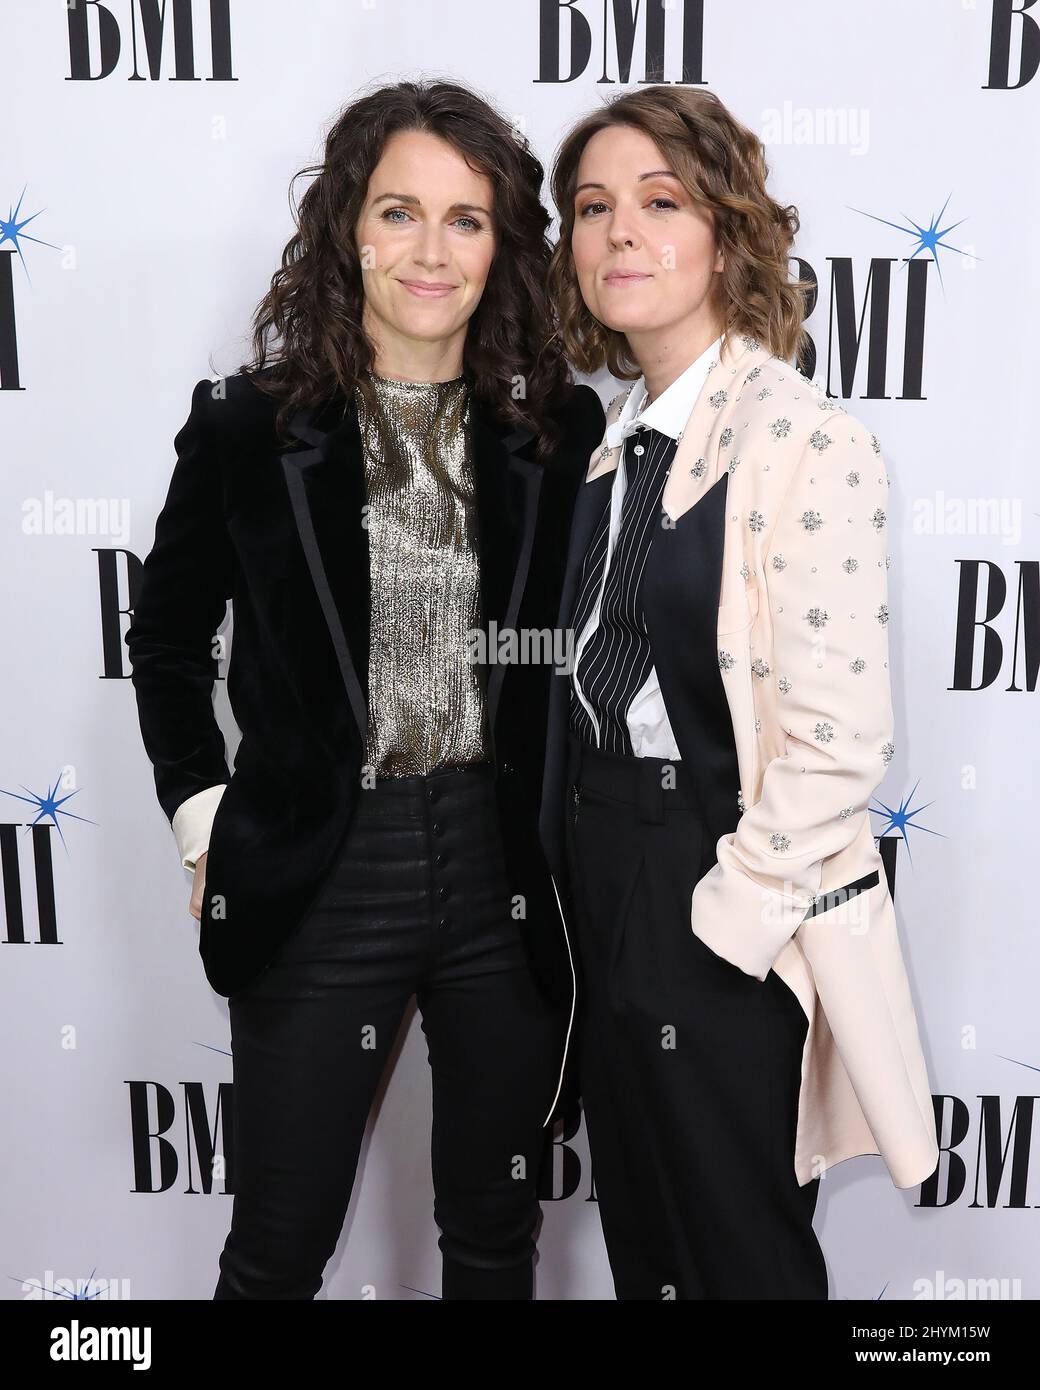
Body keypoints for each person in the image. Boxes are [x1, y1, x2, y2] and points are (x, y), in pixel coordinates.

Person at [125, 79, 604, 1301]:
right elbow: (169, 641)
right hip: (323, 868)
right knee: (278, 1246)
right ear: (349, 227)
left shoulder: (550, 427)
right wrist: (202, 816)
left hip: (502, 870)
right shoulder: (248, 425)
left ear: (502, 245)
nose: (430, 251)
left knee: (496, 1235)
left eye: (466, 218)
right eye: (399, 212)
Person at [539, 85, 939, 1300]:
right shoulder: (614, 439)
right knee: (649, 1250)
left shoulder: (801, 437)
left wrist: (719, 924)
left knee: (737, 1252)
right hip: (599, 875)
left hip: (715, 886)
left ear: (726, 231)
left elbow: (836, 740)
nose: (618, 232)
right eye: (592, 207)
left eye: (660, 202)